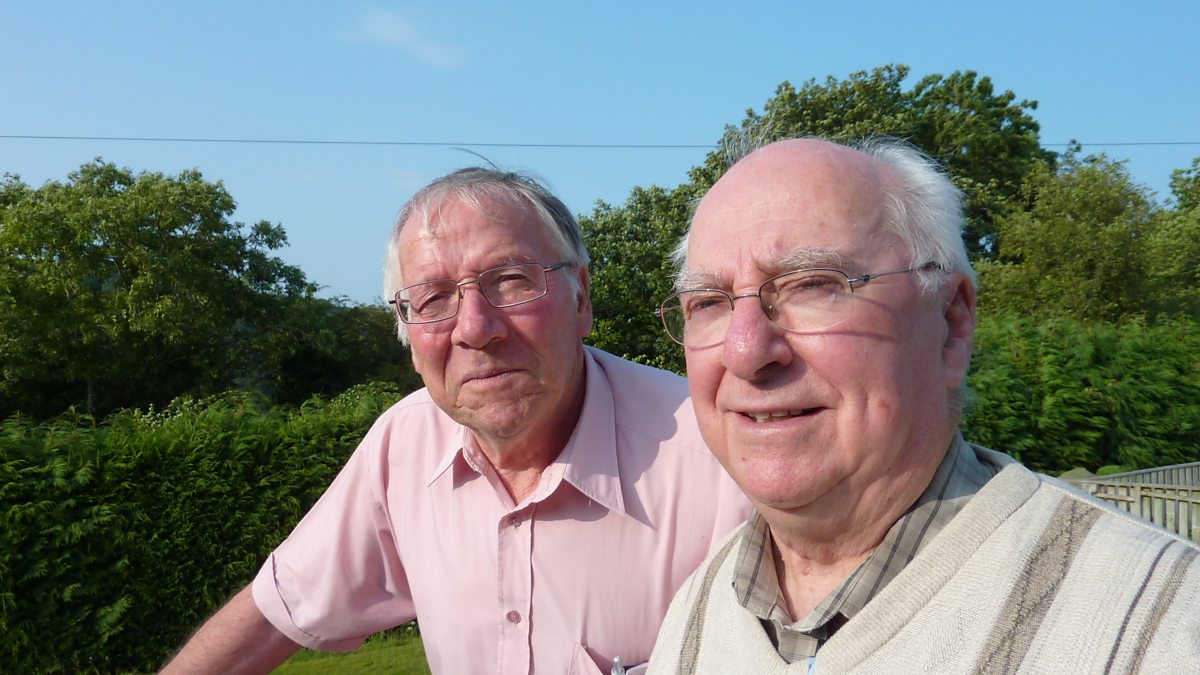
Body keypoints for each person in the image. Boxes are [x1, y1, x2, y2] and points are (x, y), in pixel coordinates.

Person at [163, 168, 749, 674]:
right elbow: (276, 610)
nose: (474, 327)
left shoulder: (721, 456)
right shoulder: (404, 444)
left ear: (582, 299)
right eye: (433, 298)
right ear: (408, 333)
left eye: (511, 280)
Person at [647, 137, 1200, 673]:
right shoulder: (693, 617)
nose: (746, 351)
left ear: (950, 324)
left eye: (811, 284)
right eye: (709, 303)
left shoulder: (1163, 621)